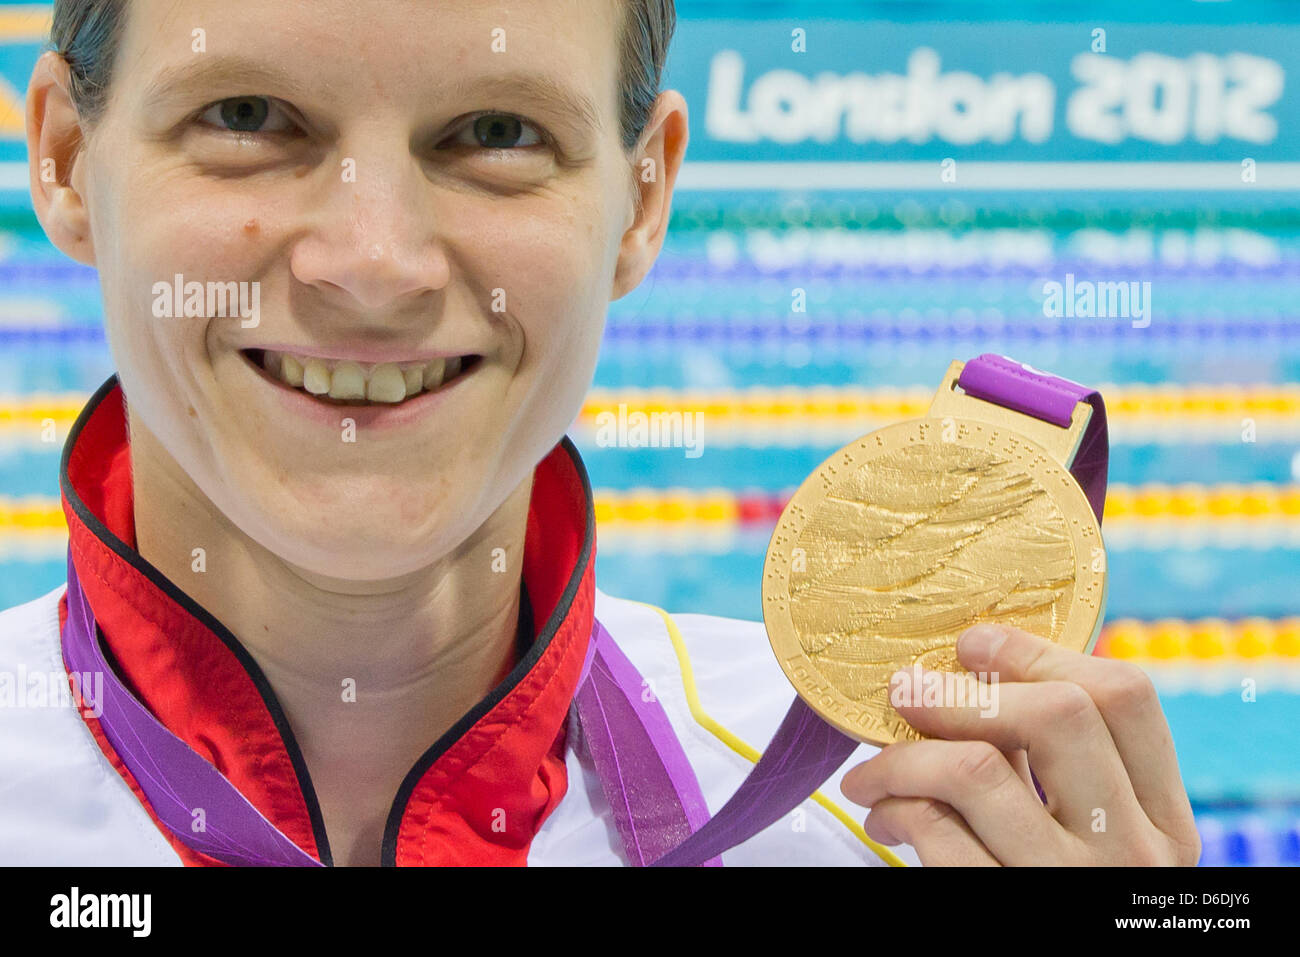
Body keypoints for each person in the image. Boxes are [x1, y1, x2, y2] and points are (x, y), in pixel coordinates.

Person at [0, 0, 1200, 867]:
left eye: (497, 134)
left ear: (642, 198)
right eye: (249, 115)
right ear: (60, 158)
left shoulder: (897, 829)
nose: (373, 265)